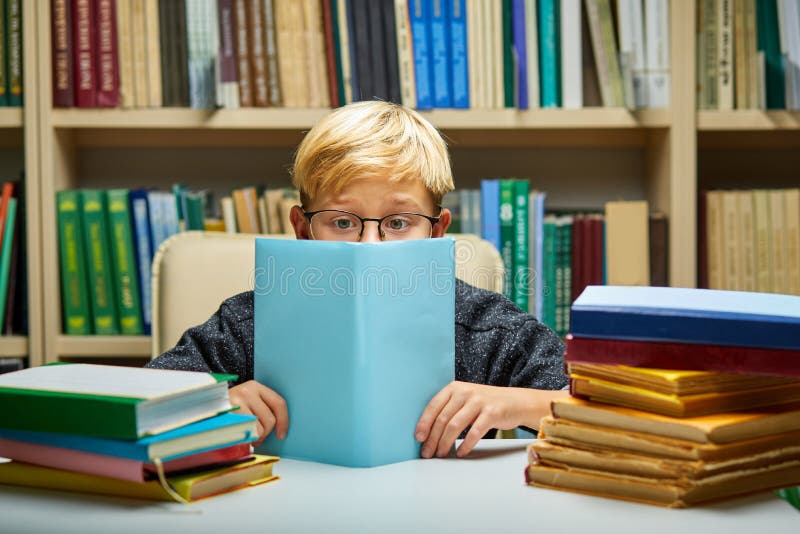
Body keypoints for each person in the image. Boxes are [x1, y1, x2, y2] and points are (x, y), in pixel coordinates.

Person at [147, 101, 568, 459]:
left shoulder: (485, 325)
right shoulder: (248, 323)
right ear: (301, 227)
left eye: (399, 222)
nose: (369, 246)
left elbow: (595, 407)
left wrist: (515, 403)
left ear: (437, 231)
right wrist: (217, 407)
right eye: (343, 221)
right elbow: (139, 405)